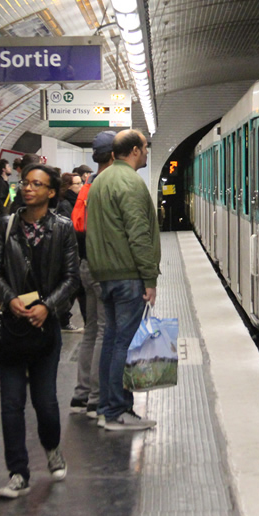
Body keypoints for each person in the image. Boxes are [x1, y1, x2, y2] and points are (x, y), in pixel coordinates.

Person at [0, 164, 79, 499]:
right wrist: (9, 299)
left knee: (45, 400)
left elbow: (71, 277)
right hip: (10, 326)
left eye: (37, 184)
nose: (28, 189)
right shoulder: (5, 226)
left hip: (44, 327)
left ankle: (52, 448)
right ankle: (18, 472)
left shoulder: (63, 228)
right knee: (11, 403)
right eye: (25, 183)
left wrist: (48, 306)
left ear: (51, 192)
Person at [86, 129, 161, 431]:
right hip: (128, 274)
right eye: (144, 148)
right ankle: (118, 410)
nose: (146, 152)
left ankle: (106, 407)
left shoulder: (99, 181)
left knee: (112, 341)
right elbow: (138, 234)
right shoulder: (130, 183)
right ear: (132, 150)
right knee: (125, 344)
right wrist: (149, 277)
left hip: (105, 274)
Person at [68, 131, 115, 417]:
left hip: (84, 265)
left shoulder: (87, 184)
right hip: (101, 266)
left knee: (91, 331)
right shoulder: (106, 184)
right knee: (104, 332)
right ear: (113, 155)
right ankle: (97, 397)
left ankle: (81, 392)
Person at [55, 172, 84, 333]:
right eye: (77, 184)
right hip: (71, 253)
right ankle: (62, 318)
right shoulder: (66, 205)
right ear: (68, 187)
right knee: (74, 287)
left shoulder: (74, 202)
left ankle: (62, 318)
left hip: (74, 251)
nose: (80, 186)